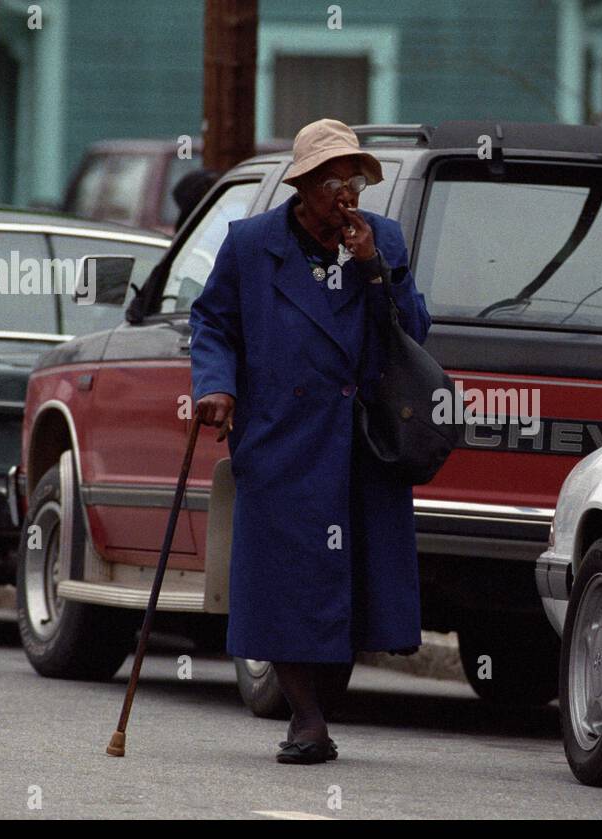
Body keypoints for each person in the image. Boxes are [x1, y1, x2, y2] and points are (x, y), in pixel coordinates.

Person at [188, 119, 431, 765]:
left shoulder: (382, 240)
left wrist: (376, 269)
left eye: (352, 180)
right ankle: (307, 717)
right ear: (302, 186)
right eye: (331, 182)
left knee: (347, 580)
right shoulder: (251, 245)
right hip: (282, 441)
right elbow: (212, 321)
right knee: (284, 581)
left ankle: (318, 707)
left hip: (360, 445)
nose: (345, 194)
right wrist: (217, 385)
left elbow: (414, 330)